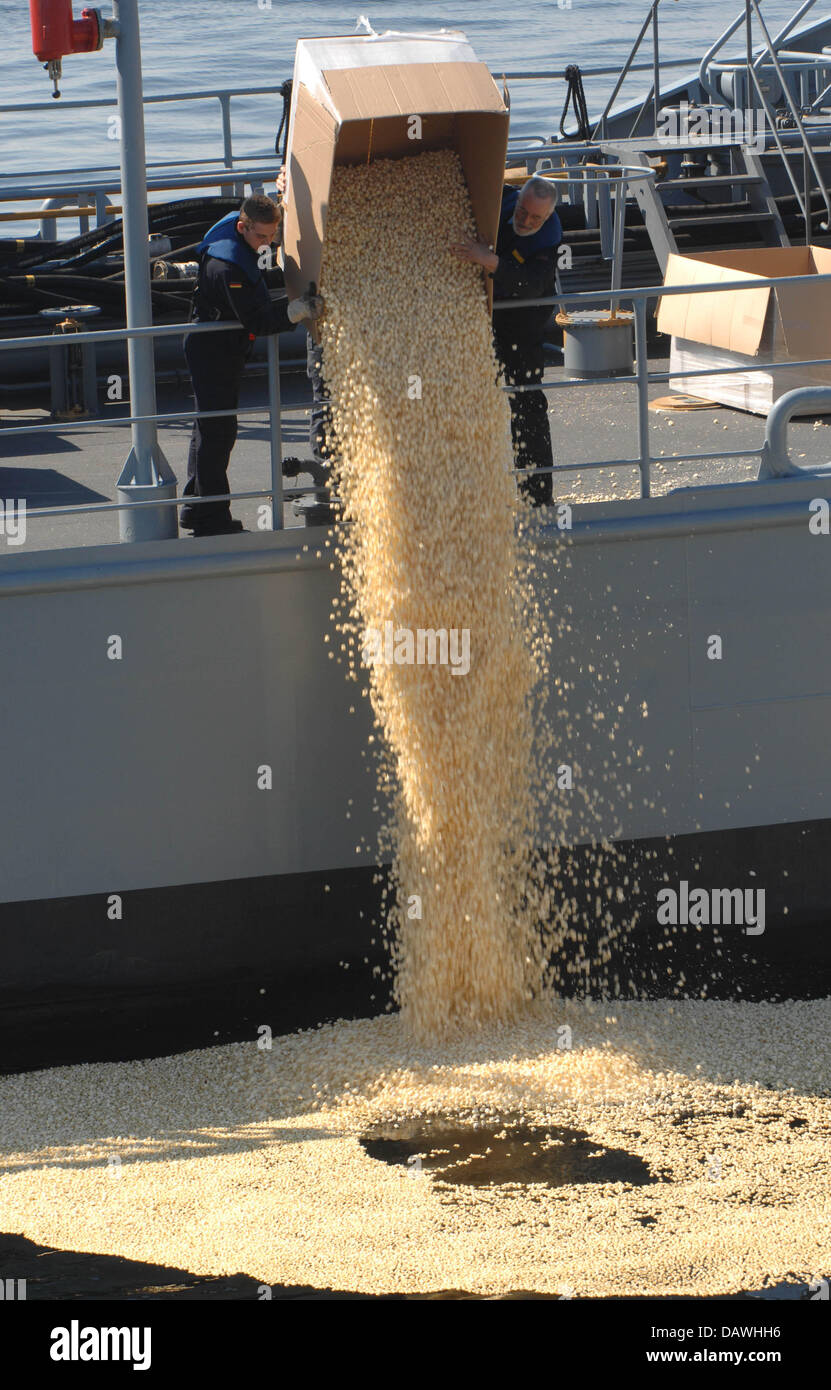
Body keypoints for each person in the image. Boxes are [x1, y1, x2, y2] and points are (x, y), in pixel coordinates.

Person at [180, 192, 323, 536]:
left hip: (217, 346)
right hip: (212, 351)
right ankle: (211, 518)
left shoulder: (238, 242)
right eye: (261, 236)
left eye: (273, 235)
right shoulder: (228, 267)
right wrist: (299, 310)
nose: (267, 243)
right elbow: (257, 321)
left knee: (208, 429)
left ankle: (195, 505)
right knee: (218, 432)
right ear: (242, 226)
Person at [451, 177, 562, 506]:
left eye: (535, 218)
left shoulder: (549, 237)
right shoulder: (503, 199)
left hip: (524, 324)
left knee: (527, 406)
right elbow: (473, 178)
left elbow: (531, 284)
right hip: (483, 317)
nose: (525, 220)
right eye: (523, 211)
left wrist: (488, 259)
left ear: (547, 217)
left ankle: (537, 498)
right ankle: (472, 494)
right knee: (471, 403)